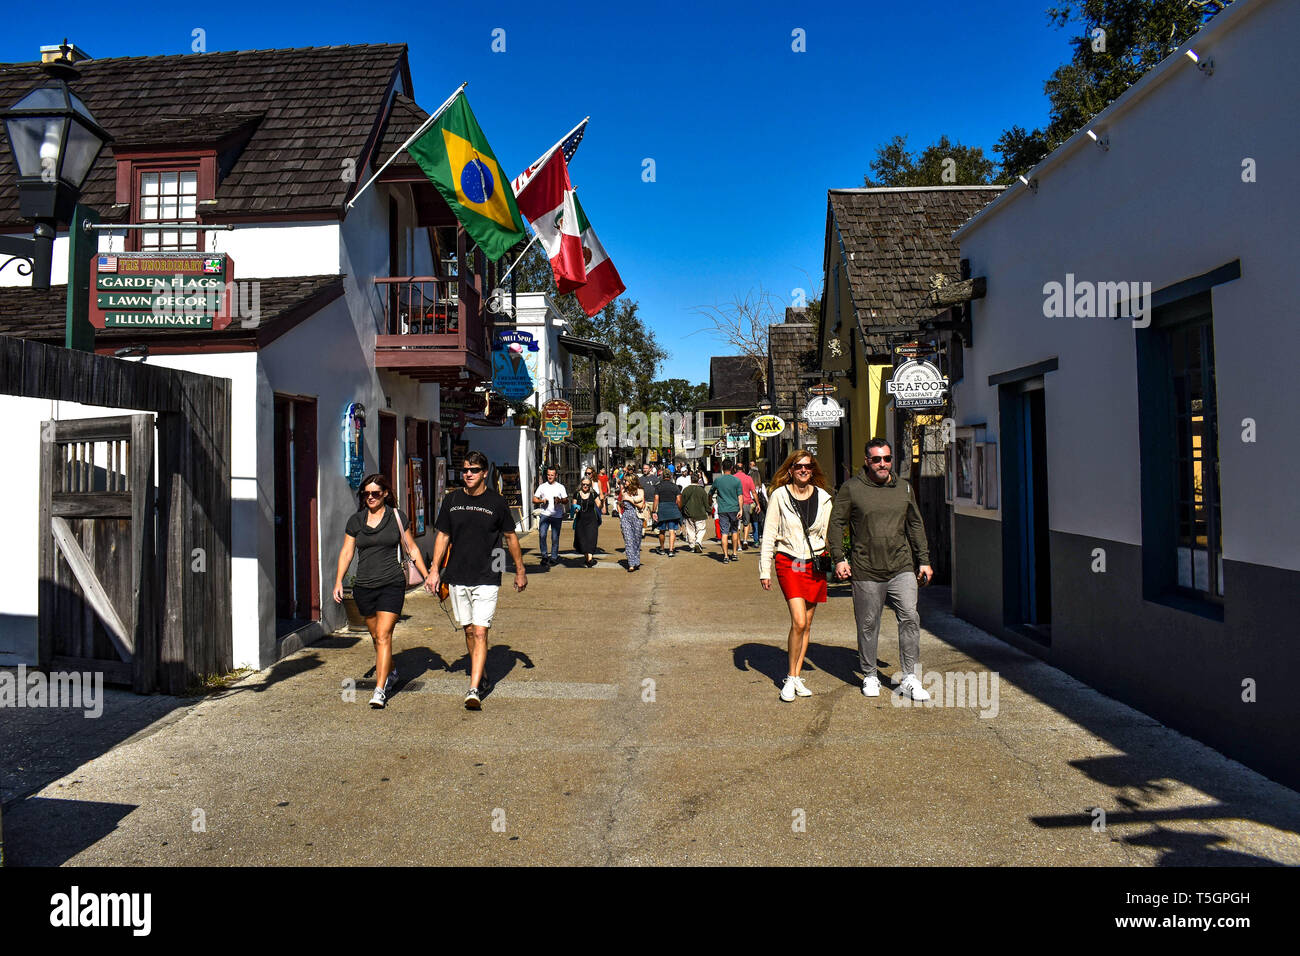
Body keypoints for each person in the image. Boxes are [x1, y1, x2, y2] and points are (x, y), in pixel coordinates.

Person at [828, 438, 933, 701]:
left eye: (887, 458)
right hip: (866, 568)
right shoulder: (852, 489)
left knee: (910, 617)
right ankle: (870, 674)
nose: (883, 464)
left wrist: (924, 559)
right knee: (868, 624)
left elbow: (915, 525)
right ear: (867, 461)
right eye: (877, 459)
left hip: (902, 566)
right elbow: (836, 523)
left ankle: (909, 677)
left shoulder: (904, 488)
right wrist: (839, 558)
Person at [428, 450, 527, 709]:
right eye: (465, 470)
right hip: (458, 574)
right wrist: (434, 570)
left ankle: (472, 689)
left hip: (487, 574)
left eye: (473, 470)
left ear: (484, 473)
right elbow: (442, 536)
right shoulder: (452, 500)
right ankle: (481, 675)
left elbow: (511, 537)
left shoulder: (497, 502)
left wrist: (519, 570)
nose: (468, 474)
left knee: (481, 631)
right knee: (469, 630)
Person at [332, 473, 433, 709]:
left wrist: (427, 576)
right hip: (364, 587)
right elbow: (347, 553)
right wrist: (338, 581)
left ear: (385, 494)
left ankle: (380, 689)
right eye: (366, 494)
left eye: (375, 493)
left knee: (385, 634)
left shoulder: (396, 517)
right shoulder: (356, 521)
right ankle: (392, 669)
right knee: (377, 638)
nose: (370, 497)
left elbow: (412, 549)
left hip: (391, 584)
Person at [759, 451, 834, 702]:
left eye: (808, 466)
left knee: (808, 624)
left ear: (813, 470)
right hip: (788, 560)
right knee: (799, 621)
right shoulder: (779, 495)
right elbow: (769, 534)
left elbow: (829, 533)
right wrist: (764, 569)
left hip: (815, 563)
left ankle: (797, 675)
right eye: (798, 466)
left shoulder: (824, 498)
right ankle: (790, 679)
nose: (804, 470)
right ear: (790, 469)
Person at [531, 466, 568, 566]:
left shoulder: (560, 487)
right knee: (542, 535)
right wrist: (542, 501)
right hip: (545, 515)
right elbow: (534, 499)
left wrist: (559, 500)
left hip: (557, 515)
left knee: (555, 537)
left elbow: (566, 500)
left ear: (556, 475)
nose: (550, 477)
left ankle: (554, 557)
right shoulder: (542, 486)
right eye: (548, 475)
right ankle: (544, 556)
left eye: (552, 475)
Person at [710, 460, 744, 562]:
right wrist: (741, 509)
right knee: (734, 531)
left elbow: (710, 493)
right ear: (732, 468)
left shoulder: (718, 480)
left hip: (723, 509)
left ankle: (725, 556)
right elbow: (740, 497)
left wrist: (710, 503)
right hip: (734, 509)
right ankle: (734, 553)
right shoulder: (737, 481)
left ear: (722, 468)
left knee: (724, 533)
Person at [652, 467, 683, 557]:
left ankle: (662, 548)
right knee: (672, 530)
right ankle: (671, 550)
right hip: (673, 509)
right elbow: (678, 499)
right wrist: (679, 508)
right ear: (671, 476)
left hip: (662, 509)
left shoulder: (658, 486)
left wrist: (654, 511)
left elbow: (656, 499)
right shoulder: (675, 486)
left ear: (662, 476)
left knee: (662, 530)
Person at [678, 471, 711, 553]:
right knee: (701, 529)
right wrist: (709, 510)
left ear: (691, 480)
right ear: (698, 480)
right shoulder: (701, 490)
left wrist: (681, 511)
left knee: (690, 530)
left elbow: (682, 502)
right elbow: (705, 502)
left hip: (688, 513)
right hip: (700, 513)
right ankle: (698, 542)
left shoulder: (686, 490)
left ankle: (692, 545)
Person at [572, 476, 602, 567]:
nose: (585, 486)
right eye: (583, 484)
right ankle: (587, 558)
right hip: (580, 520)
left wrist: (601, 503)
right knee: (582, 540)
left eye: (587, 485)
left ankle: (589, 558)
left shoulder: (593, 494)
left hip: (592, 520)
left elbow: (599, 505)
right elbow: (574, 505)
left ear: (590, 485)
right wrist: (575, 509)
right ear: (581, 484)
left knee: (591, 538)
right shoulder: (577, 494)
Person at [619, 474, 645, 572]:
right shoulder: (623, 491)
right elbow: (621, 503)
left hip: (637, 517)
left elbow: (641, 506)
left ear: (631, 481)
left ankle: (636, 561)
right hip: (626, 517)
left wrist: (629, 499)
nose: (624, 483)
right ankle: (631, 563)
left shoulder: (640, 491)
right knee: (628, 540)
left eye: (626, 481)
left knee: (636, 540)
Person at [737, 463, 758, 550]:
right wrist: (758, 503)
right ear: (744, 469)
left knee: (736, 525)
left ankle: (738, 545)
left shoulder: (733, 478)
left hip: (735, 504)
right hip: (746, 503)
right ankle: (745, 540)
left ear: (735, 469)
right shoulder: (748, 478)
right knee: (746, 523)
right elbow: (753, 492)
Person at [749, 463, 768, 548]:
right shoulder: (762, 486)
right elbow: (766, 497)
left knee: (754, 523)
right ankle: (764, 539)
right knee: (762, 522)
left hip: (752, 505)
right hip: (761, 506)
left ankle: (756, 541)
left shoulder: (750, 485)